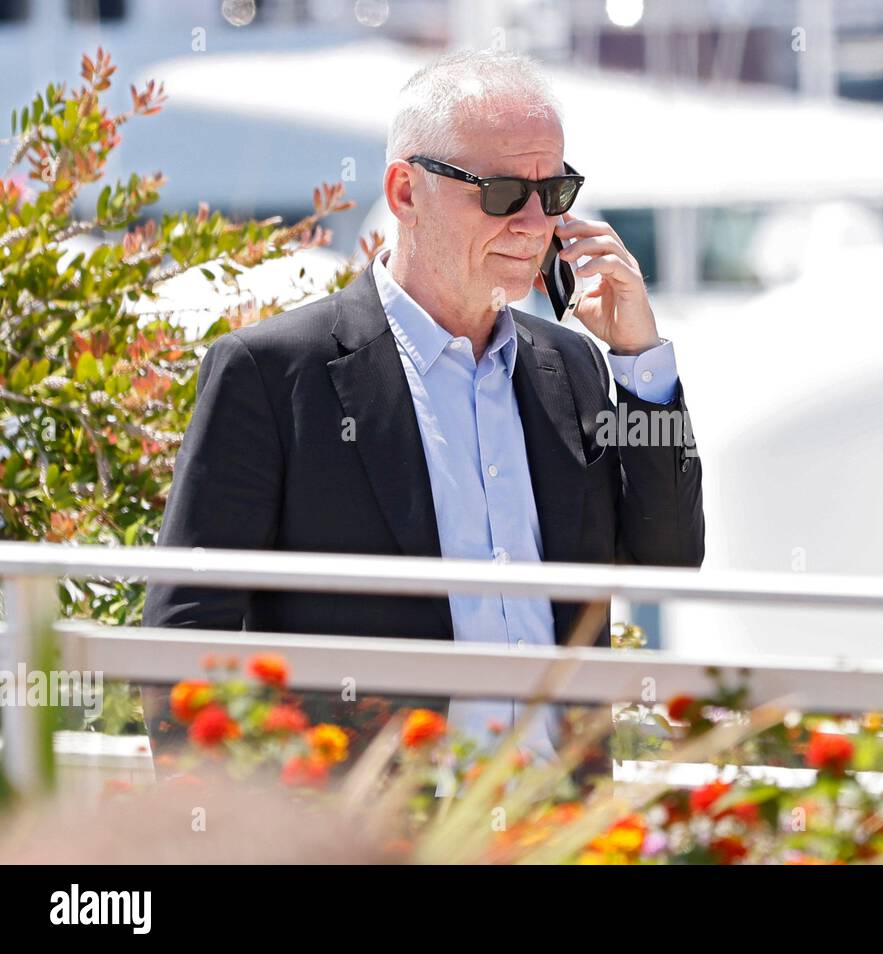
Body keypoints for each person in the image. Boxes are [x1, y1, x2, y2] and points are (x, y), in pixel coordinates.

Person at [141, 50, 705, 771]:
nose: (536, 224)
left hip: (555, 823)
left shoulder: (574, 366)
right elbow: (186, 639)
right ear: (405, 192)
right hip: (365, 831)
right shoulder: (272, 373)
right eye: (502, 192)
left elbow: (669, 556)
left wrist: (640, 361)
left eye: (555, 191)